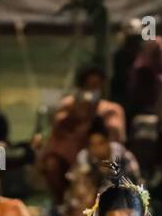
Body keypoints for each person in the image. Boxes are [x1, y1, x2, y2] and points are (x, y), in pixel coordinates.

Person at [38, 66, 127, 208]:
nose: (93, 90)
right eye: (89, 85)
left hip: (99, 161)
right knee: (52, 165)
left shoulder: (111, 110)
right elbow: (57, 131)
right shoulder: (69, 106)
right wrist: (76, 114)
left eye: (97, 85)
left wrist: (93, 119)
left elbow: (114, 138)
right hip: (70, 161)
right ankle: (60, 208)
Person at [62, 116, 141, 216]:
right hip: (90, 205)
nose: (97, 149)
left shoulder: (123, 157)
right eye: (93, 145)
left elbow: (135, 188)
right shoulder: (85, 158)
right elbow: (76, 191)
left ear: (108, 141)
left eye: (101, 143)